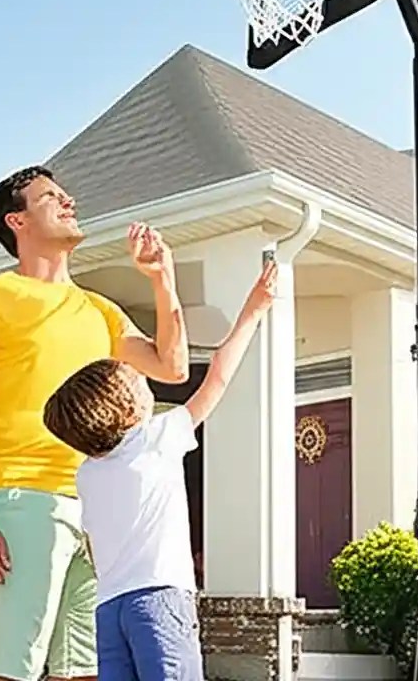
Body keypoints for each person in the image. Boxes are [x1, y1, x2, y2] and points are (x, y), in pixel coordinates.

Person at [0, 165, 190, 681]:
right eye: (50, 197)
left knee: (83, 669)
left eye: (66, 194)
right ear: (17, 221)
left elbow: (172, 367)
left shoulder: (99, 311)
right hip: (22, 499)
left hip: (97, 506)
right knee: (14, 665)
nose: (69, 201)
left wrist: (162, 278)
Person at [41, 260, 279, 681]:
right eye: (135, 378)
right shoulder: (156, 439)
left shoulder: (88, 473)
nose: (144, 378)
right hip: (159, 600)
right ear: (125, 406)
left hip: (109, 610)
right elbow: (218, 377)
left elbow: (95, 551)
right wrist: (253, 310)